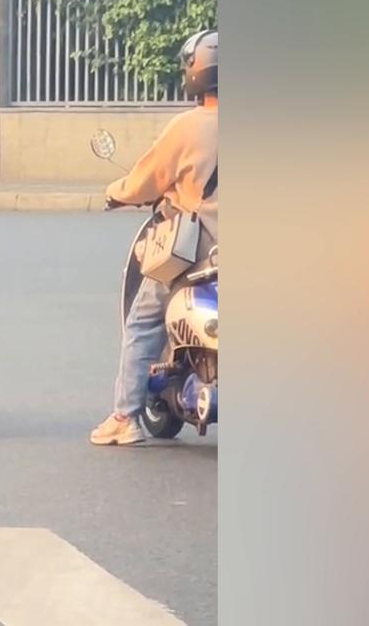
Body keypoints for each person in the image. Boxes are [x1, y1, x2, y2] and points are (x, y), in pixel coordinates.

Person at [90, 29, 218, 446]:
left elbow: (146, 182)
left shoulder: (186, 128)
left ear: (196, 73)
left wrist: (115, 192)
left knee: (143, 321)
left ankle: (124, 417)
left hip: (198, 253)